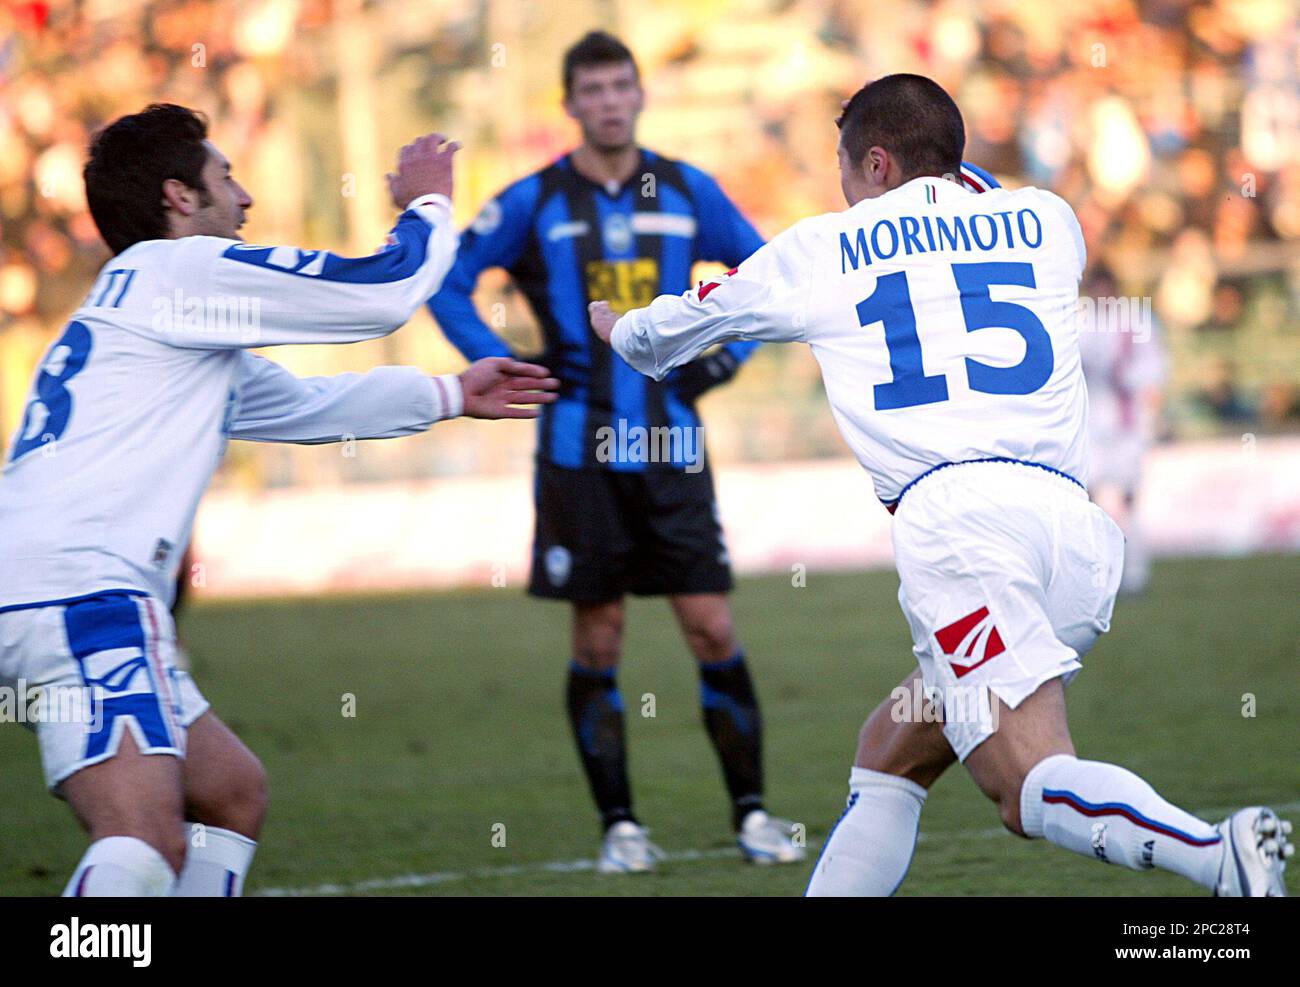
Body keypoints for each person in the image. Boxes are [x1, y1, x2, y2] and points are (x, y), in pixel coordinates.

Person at [591, 74, 1292, 896]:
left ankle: (1221, 858)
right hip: (1073, 530)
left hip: (961, 529)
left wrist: (622, 326)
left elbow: (674, 329)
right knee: (894, 750)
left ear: (878, 163)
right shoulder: (1048, 220)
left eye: (847, 170)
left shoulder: (821, 250)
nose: (844, 191)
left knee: (1023, 783)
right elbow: (971, 204)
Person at [0, 103, 558, 896]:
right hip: (84, 591)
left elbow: (304, 407)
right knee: (143, 837)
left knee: (229, 795)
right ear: (179, 197)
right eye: (226, 177)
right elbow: (383, 291)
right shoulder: (177, 272)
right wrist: (429, 202)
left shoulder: (145, 309)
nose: (246, 196)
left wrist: (448, 391)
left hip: (50, 591)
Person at [426, 30, 803, 871]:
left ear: (639, 95)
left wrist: (724, 357)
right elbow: (449, 278)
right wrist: (502, 359)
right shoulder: (533, 200)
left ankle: (754, 816)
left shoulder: (687, 188)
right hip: (577, 454)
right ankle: (621, 828)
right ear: (570, 104)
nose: (607, 101)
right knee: (598, 639)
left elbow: (769, 272)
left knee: (710, 626)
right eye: (590, 89)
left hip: (672, 449)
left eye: (619, 86)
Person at [1076, 264, 1167, 594]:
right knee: (1086, 498)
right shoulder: (1078, 322)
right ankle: (1095, 573)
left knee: (1129, 499)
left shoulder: (1135, 322)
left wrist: (1151, 415)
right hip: (1088, 425)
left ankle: (1134, 571)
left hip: (1127, 425)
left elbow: (1153, 372)